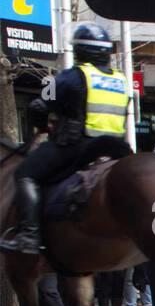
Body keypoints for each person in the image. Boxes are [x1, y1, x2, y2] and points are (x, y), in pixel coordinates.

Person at [1, 23, 132, 256]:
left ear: (80, 52)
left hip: (78, 146)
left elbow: (39, 105)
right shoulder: (122, 80)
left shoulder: (72, 76)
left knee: (25, 174)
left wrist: (42, 124)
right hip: (117, 149)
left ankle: (29, 236)